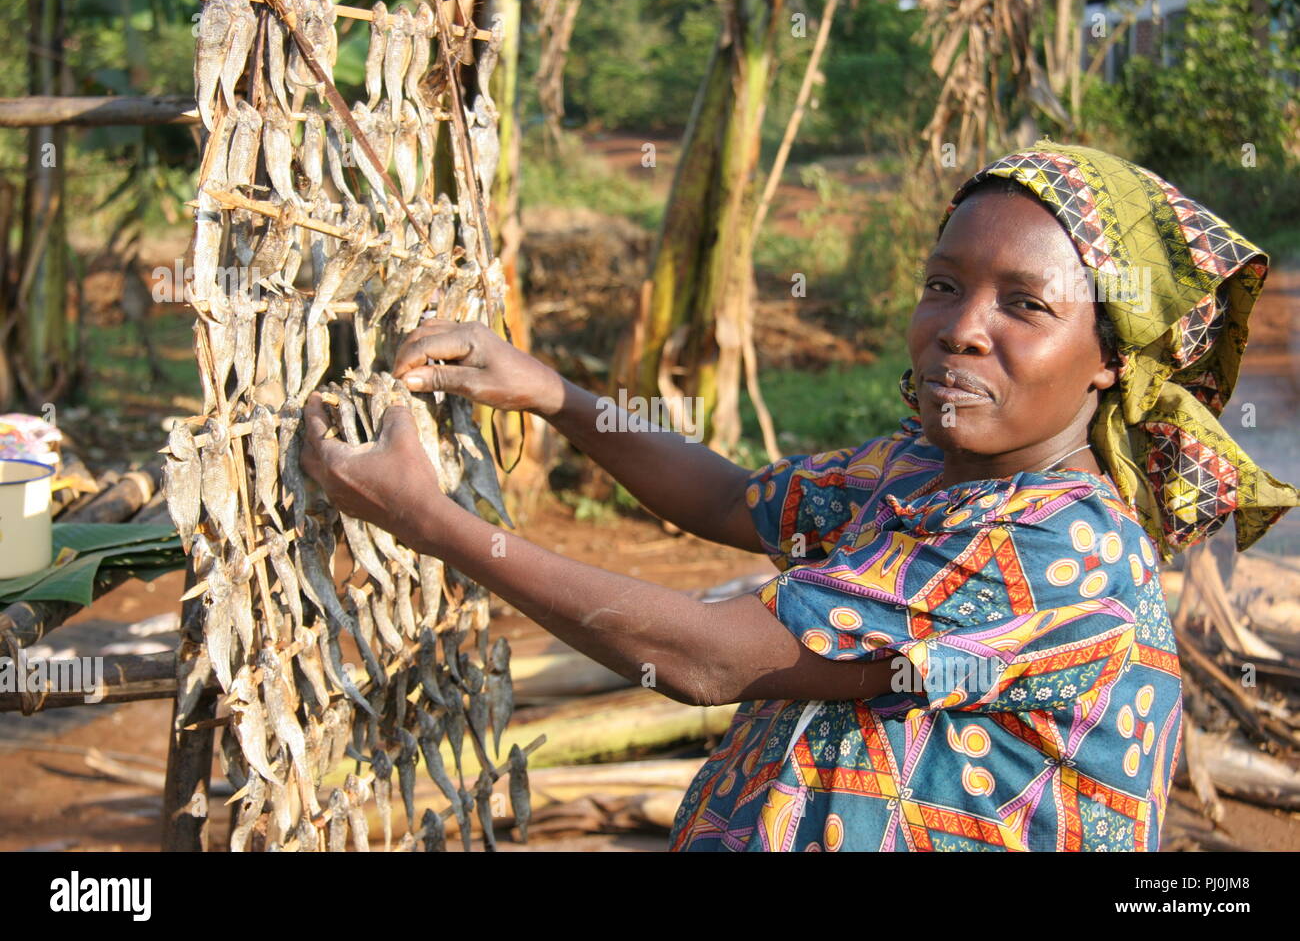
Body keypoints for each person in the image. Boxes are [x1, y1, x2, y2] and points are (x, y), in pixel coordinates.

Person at [301, 142, 1298, 851]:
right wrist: (555, 395)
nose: (960, 328)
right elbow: (736, 500)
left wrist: (431, 520)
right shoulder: (919, 467)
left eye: (1024, 304)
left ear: (1111, 362)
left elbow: (703, 657)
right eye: (943, 285)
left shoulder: (1061, 550)